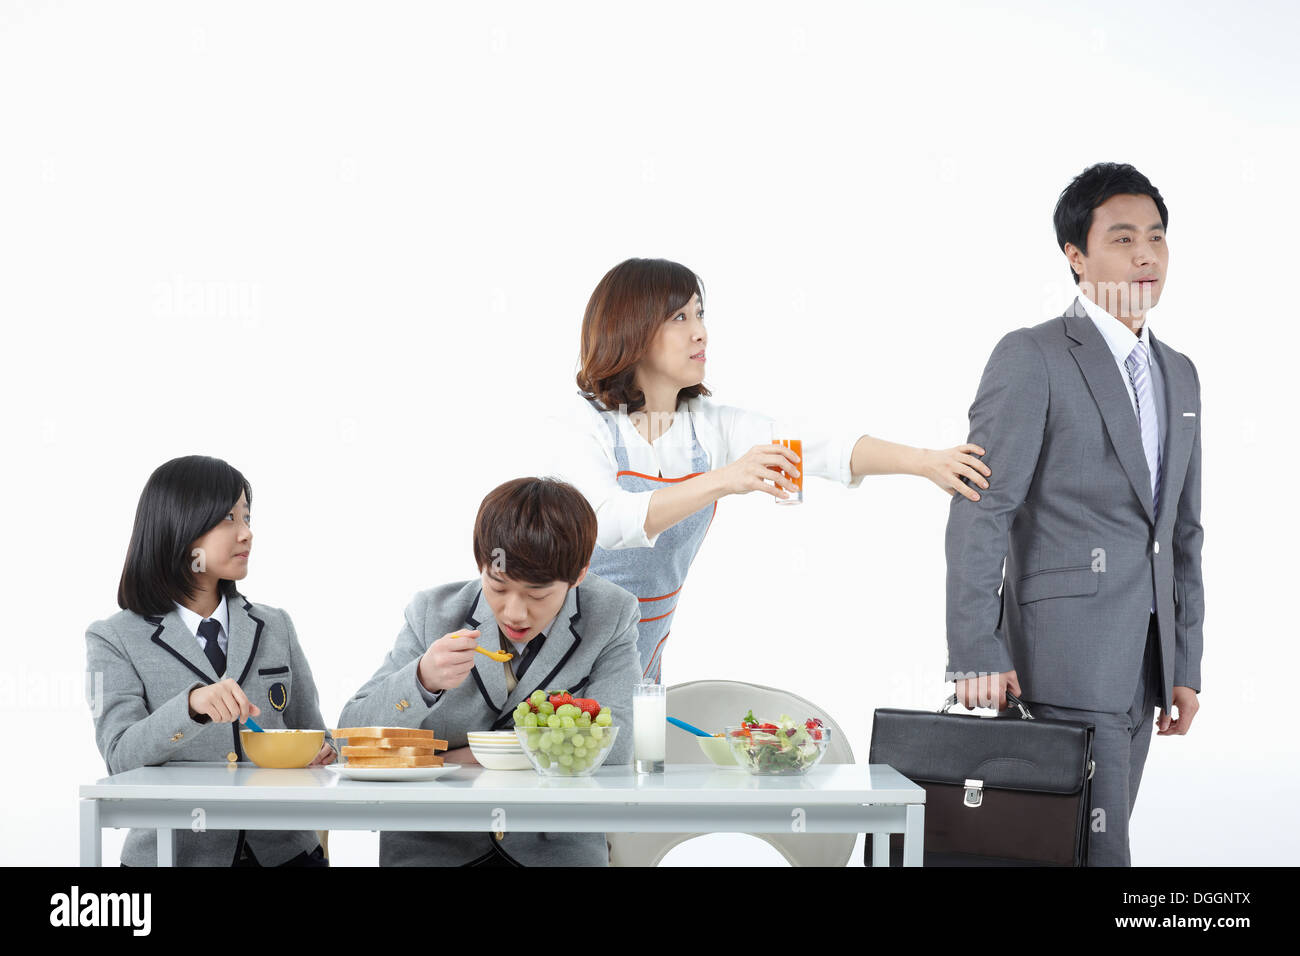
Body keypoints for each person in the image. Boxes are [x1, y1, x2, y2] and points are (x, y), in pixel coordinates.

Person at [550, 257, 992, 681]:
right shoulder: (584, 422)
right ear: (632, 329)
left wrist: (925, 462)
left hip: (641, 656)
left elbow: (820, 448)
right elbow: (604, 522)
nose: (701, 333)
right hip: (557, 651)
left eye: (700, 315)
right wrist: (724, 479)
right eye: (680, 318)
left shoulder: (708, 426)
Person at [944, 162, 1204, 866]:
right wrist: (974, 650)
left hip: (1144, 666)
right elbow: (982, 506)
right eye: (1122, 238)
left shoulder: (1179, 371)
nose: (1145, 254)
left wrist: (1186, 660)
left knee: (1083, 852)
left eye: (1156, 237)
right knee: (1090, 855)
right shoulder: (1033, 356)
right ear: (1076, 255)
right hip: (1056, 659)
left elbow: (1182, 531)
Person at [338, 477, 642, 866]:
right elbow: (351, 742)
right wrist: (421, 679)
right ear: (481, 565)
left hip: (554, 848)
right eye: (498, 587)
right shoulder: (433, 612)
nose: (515, 613)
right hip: (432, 844)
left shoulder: (611, 614)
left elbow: (617, 747)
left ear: (578, 575)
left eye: (537, 595)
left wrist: (469, 756)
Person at [85, 455, 335, 867]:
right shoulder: (113, 638)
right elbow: (120, 758)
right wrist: (190, 708)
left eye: (247, 517)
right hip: (174, 856)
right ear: (179, 528)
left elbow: (317, 734)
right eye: (228, 519)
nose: (247, 533)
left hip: (287, 854)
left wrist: (320, 753)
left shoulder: (276, 626)